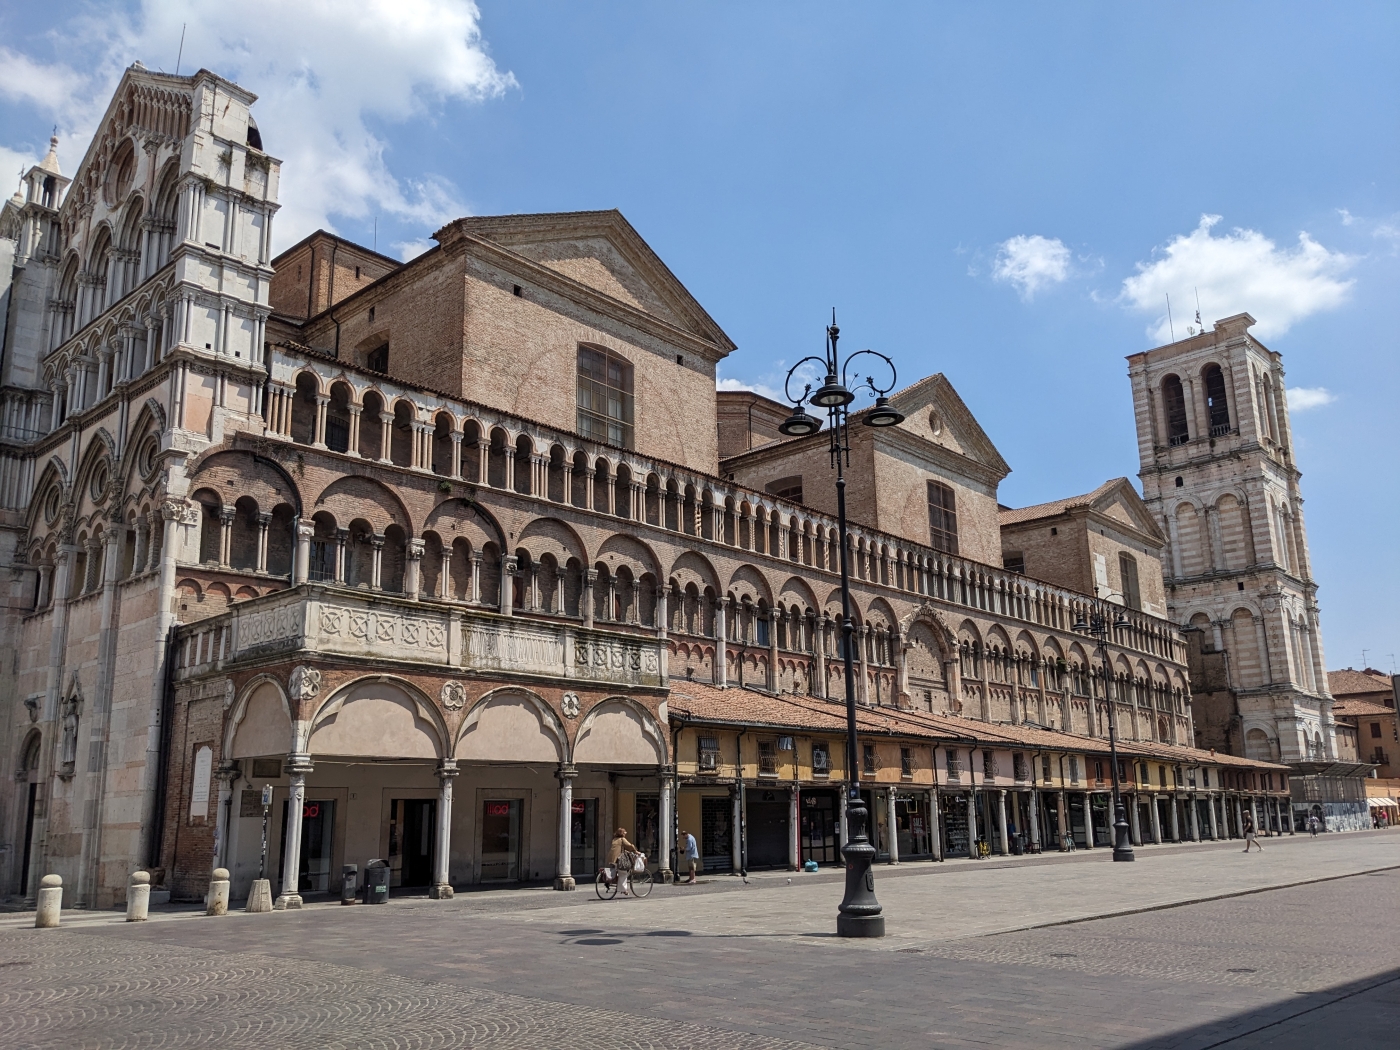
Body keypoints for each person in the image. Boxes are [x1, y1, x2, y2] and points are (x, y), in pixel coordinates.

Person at [608, 827, 638, 896]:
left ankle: (620, 887)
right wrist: (635, 851)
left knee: (620, 872)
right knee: (623, 873)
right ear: (622, 833)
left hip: (611, 858)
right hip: (617, 859)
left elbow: (619, 848)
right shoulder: (622, 839)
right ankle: (624, 890)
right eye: (624, 832)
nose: (625, 833)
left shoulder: (615, 839)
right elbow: (629, 845)